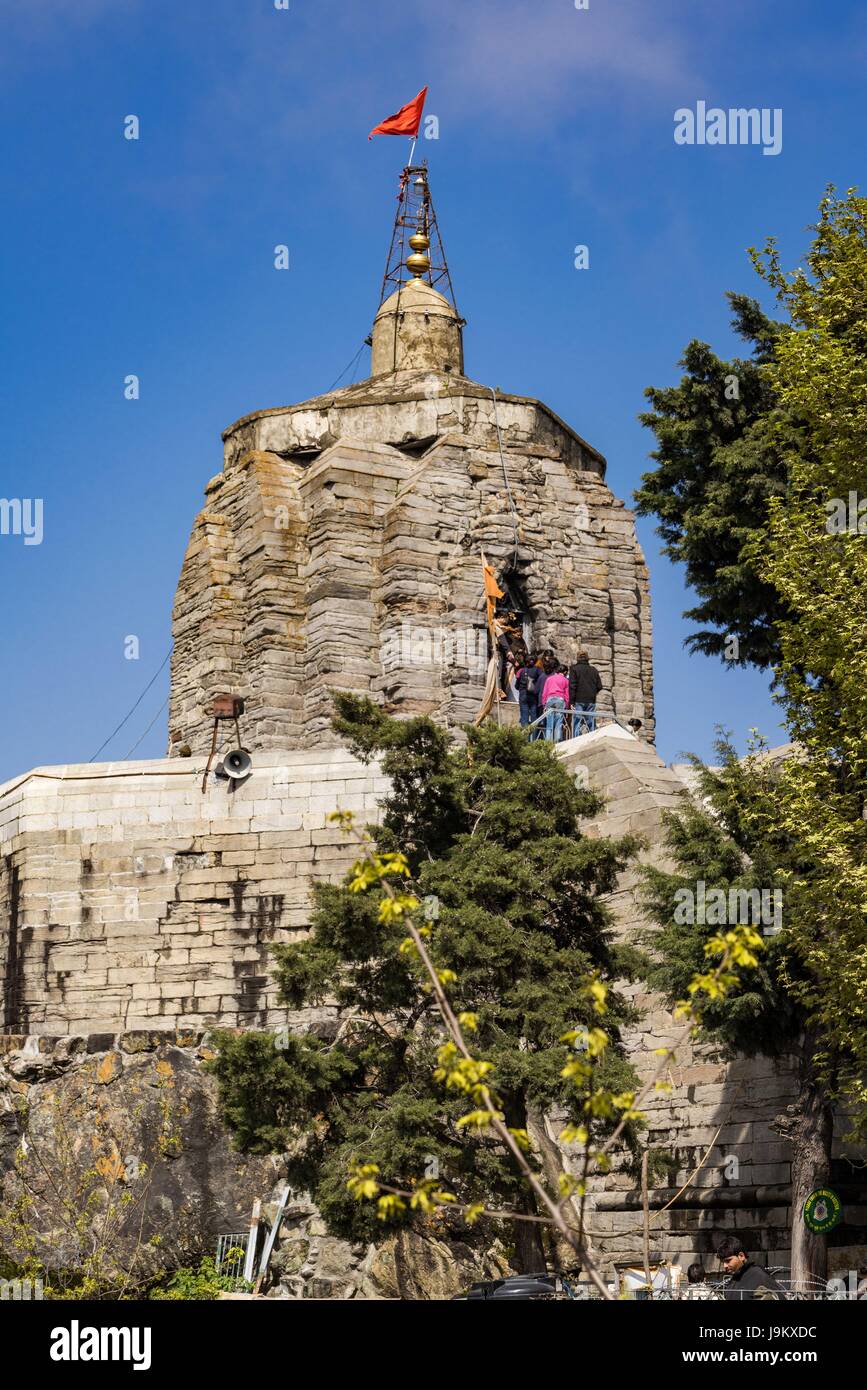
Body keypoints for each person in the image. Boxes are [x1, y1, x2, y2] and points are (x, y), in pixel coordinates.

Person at [716, 1237, 784, 1301]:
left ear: (741, 1256)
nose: (725, 1266)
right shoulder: (733, 1281)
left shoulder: (759, 1276)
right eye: (723, 1262)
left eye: (728, 1261)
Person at [568, 651, 602, 734]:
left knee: (577, 722)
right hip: (591, 699)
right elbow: (599, 686)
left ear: (578, 658)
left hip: (578, 699)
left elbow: (572, 686)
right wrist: (593, 693)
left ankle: (576, 741)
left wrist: (571, 701)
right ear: (587, 658)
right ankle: (592, 740)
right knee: (591, 722)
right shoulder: (593, 670)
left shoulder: (574, 669)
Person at [541, 663, 569, 743]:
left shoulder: (549, 679)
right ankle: (557, 742)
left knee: (549, 723)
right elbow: (567, 695)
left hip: (550, 699)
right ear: (564, 672)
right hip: (560, 700)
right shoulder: (565, 680)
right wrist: (566, 706)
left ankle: (548, 742)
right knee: (558, 722)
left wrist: (544, 704)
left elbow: (544, 693)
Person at [516, 655, 541, 730]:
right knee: (534, 716)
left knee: (524, 716)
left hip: (523, 695)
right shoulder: (538, 670)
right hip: (533, 696)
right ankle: (533, 737)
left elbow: (516, 686)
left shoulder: (521, 671)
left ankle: (525, 736)